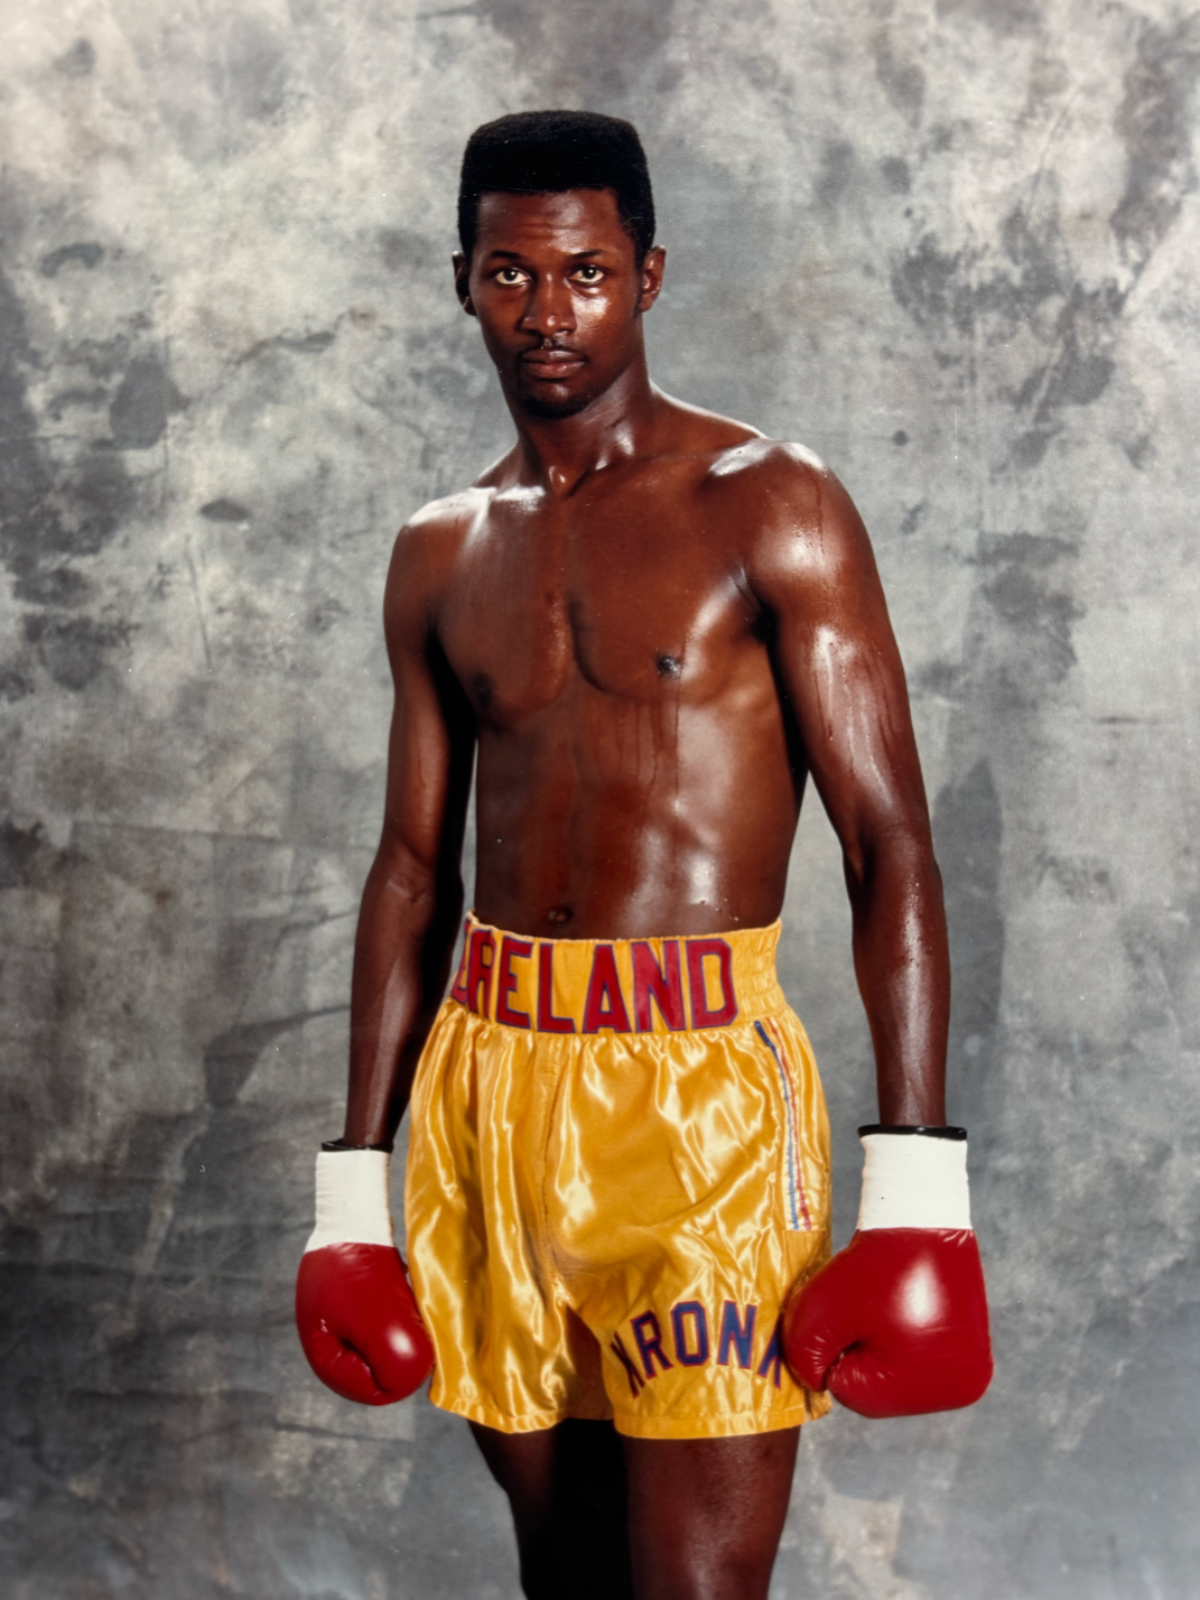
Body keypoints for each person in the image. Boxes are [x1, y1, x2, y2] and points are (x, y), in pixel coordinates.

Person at [294, 110, 992, 1600]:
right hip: (497, 1090)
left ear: (650, 274)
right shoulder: (440, 548)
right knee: (566, 1568)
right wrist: (350, 1200)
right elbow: (412, 874)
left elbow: (891, 846)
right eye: (511, 274)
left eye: (588, 272)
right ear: (464, 281)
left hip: (702, 1110)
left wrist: (922, 1196)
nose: (550, 314)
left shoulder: (770, 503)